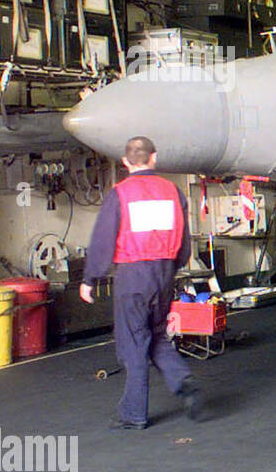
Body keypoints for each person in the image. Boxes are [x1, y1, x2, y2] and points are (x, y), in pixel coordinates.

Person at [80, 136, 204, 429]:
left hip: (132, 275)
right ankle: (181, 379)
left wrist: (90, 279)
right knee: (157, 333)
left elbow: (103, 239)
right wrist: (173, 266)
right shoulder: (173, 191)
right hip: (164, 273)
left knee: (134, 341)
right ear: (154, 158)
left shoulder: (120, 194)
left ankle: (134, 413)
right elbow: (184, 241)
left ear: (125, 162)